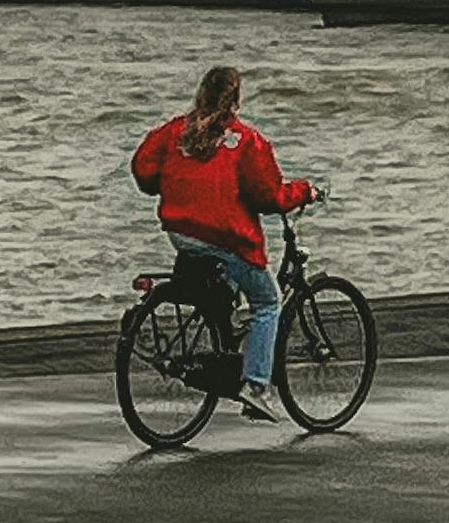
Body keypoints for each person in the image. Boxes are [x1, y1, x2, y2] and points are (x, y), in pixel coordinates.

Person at [132, 65, 313, 421]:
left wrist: (171, 183)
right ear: (236, 100)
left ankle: (224, 339)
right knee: (267, 301)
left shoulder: (174, 132)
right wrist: (305, 191)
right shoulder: (246, 141)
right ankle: (256, 387)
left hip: (181, 233)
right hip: (224, 238)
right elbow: (269, 196)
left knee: (222, 282)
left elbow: (143, 169)